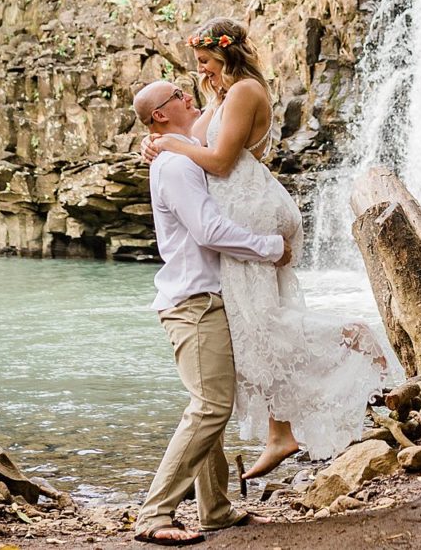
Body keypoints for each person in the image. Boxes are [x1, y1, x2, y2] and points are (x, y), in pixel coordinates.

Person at [146, 18, 389, 484]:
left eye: (205, 63)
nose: (200, 75)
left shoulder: (244, 92)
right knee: (253, 328)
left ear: (226, 54)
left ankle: (352, 337)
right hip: (240, 208)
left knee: (262, 325)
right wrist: (157, 142)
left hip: (250, 210)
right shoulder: (223, 94)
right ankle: (280, 432)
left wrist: (173, 142)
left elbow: (216, 159)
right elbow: (197, 142)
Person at [131, 78, 291, 546]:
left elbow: (218, 138)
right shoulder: (176, 166)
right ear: (161, 114)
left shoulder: (185, 151)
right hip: (192, 302)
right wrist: (270, 247)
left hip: (203, 297)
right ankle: (154, 514)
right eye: (178, 95)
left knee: (211, 408)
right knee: (210, 406)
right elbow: (208, 229)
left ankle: (215, 510)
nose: (188, 95)